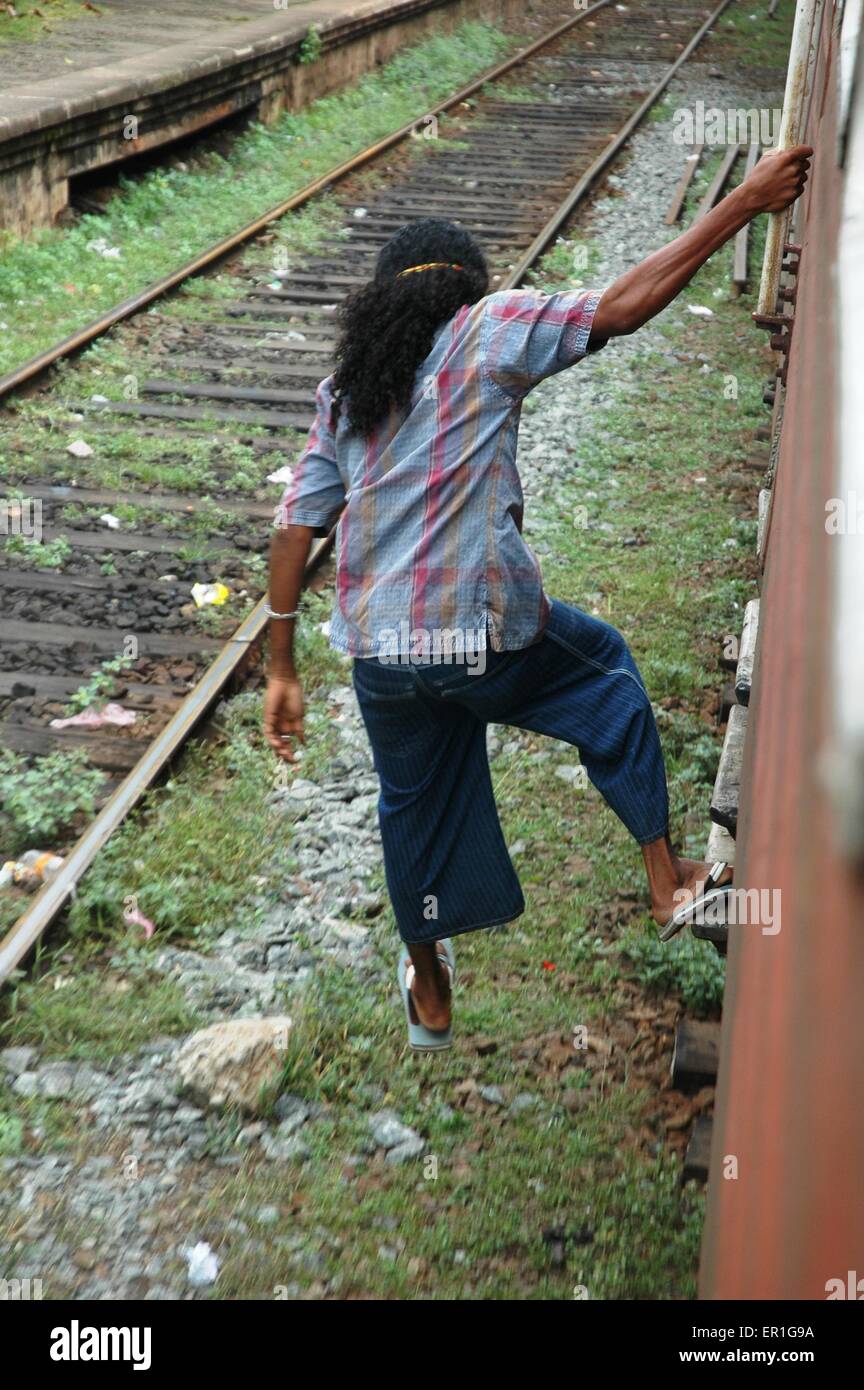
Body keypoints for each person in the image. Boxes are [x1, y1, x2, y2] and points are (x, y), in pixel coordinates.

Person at [264, 142, 813, 1049]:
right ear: (466, 290)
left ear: (381, 307)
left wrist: (282, 665)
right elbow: (625, 305)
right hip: (480, 635)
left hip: (380, 655)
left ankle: (430, 985)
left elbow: (294, 532)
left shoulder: (345, 391)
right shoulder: (490, 329)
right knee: (603, 676)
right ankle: (666, 877)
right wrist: (743, 203)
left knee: (411, 801)